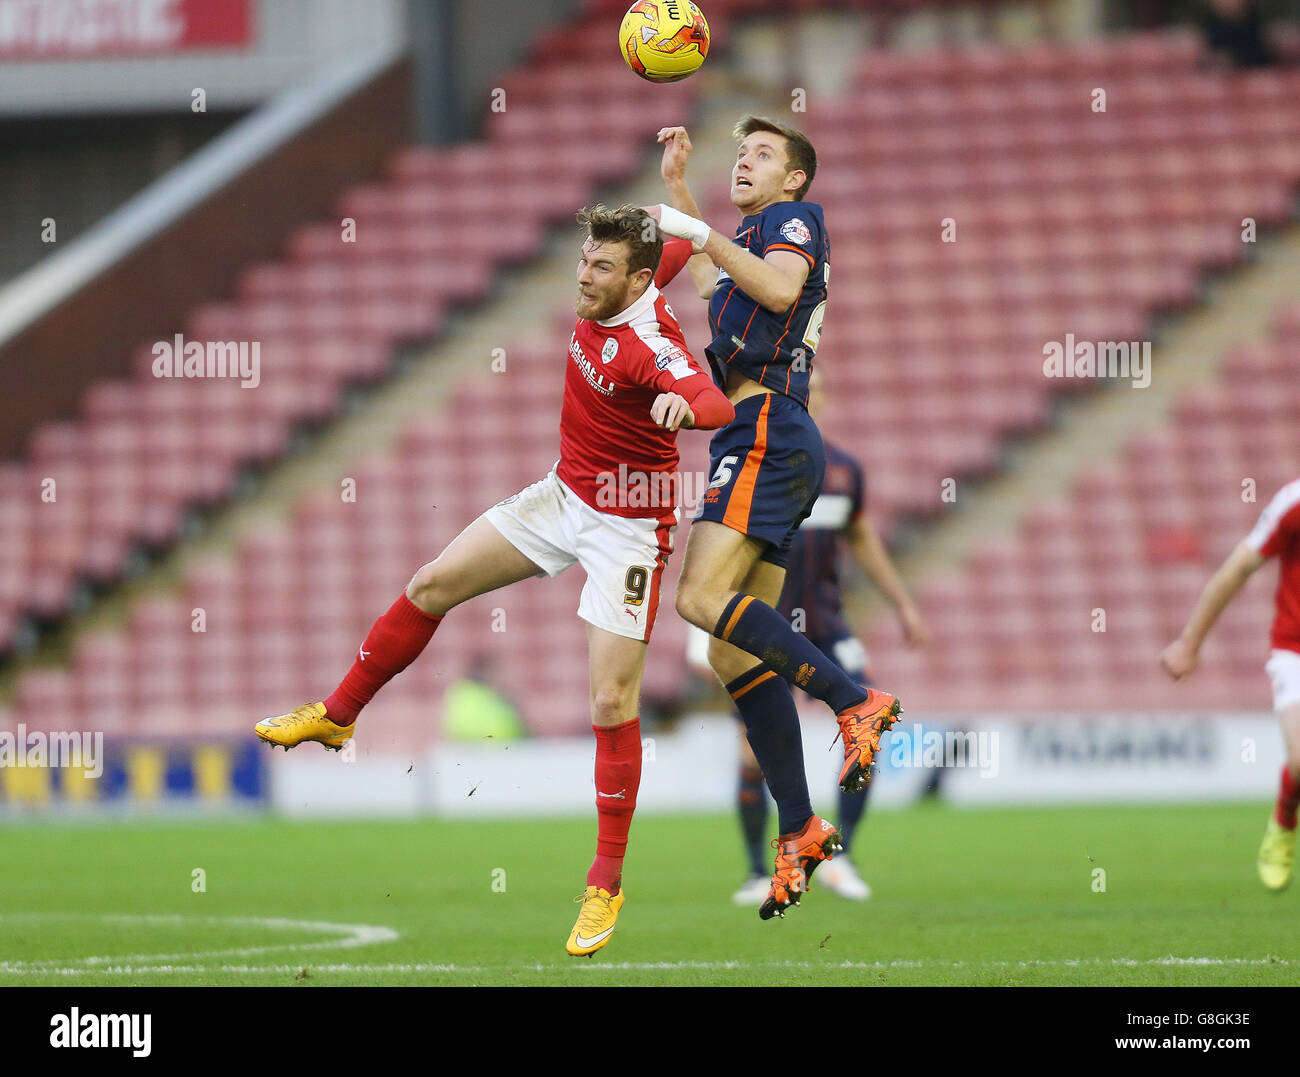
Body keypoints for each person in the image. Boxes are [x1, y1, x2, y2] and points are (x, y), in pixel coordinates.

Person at [254, 205, 734, 956]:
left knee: (610, 699)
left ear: (634, 282)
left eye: (601, 267)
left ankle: (605, 882)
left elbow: (712, 399)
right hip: (563, 493)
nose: (583, 273)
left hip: (629, 525)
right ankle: (339, 712)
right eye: (583, 258)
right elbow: (670, 252)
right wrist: (677, 197)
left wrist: (688, 402)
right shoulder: (635, 279)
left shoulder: (650, 342)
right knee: (431, 583)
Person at [649, 116, 904, 921]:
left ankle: (853, 699)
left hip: (768, 429)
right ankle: (798, 829)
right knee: (729, 651)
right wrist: (679, 192)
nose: (745, 163)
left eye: (762, 154)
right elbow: (711, 286)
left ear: (796, 178)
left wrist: (703, 232)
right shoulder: (749, 241)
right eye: (743, 154)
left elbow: (782, 289)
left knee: (696, 601)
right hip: (764, 432)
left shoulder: (796, 222)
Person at [726, 370, 931, 905]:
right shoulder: (758, 465)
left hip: (827, 627)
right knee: (752, 753)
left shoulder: (843, 470)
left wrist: (903, 605)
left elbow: (863, 542)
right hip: (768, 626)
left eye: (815, 389)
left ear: (825, 398)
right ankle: (754, 870)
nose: (807, 396)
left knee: (868, 730)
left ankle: (843, 857)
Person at [1160, 477, 1300, 890]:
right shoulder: (1293, 502)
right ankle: (1284, 814)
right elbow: (1239, 568)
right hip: (1296, 650)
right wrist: (1189, 643)